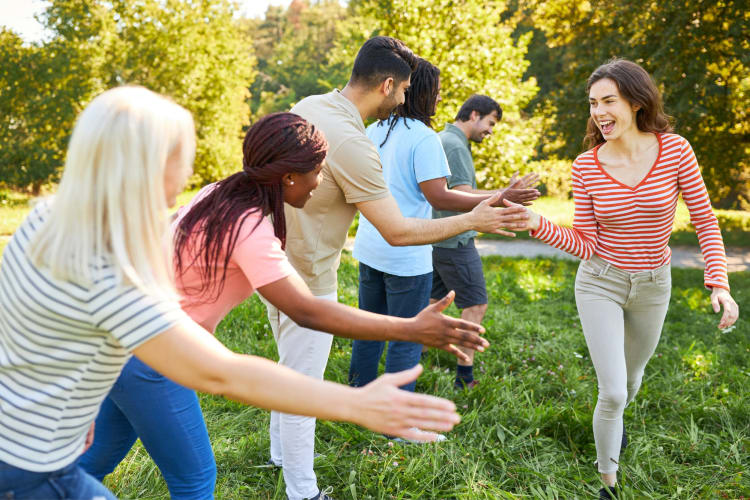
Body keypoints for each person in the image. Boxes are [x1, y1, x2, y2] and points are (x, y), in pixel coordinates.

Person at [0, 87, 465, 500]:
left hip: (34, 438)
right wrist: (358, 400)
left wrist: (70, 412)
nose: (185, 168)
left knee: (97, 457)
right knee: (197, 481)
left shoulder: (48, 218)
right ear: (149, 165)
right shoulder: (117, 275)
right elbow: (224, 371)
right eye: (181, 152)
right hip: (34, 461)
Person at [265, 37, 530, 500]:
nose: (408, 99)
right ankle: (303, 491)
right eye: (404, 89)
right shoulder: (352, 141)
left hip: (275, 263)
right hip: (309, 280)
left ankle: (281, 455)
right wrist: (476, 218)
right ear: (387, 85)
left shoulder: (309, 104)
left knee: (290, 372)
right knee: (302, 388)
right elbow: (398, 231)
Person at [514, 59, 739, 499]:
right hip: (601, 282)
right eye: (593, 103)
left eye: (608, 101)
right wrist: (535, 222)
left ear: (636, 102)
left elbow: (706, 221)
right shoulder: (586, 165)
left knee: (632, 381)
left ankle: (612, 426)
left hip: (654, 285)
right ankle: (607, 484)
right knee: (614, 392)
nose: (599, 112)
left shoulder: (675, 150)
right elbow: (586, 244)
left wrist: (720, 283)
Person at [348, 61, 539, 398]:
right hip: (407, 257)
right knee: (408, 336)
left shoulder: (373, 130)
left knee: (370, 328)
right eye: (435, 92)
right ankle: (396, 416)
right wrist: (500, 198)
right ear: (419, 92)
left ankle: (356, 396)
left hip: (370, 246)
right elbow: (440, 197)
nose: (438, 101)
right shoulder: (423, 137)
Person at [429, 94, 539, 390]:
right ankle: (464, 378)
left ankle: (415, 356)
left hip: (438, 236)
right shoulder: (454, 144)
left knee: (431, 302)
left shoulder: (443, 139)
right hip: (455, 240)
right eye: (490, 123)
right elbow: (464, 196)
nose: (491, 131)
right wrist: (506, 194)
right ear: (474, 114)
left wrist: (505, 193)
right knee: (476, 304)